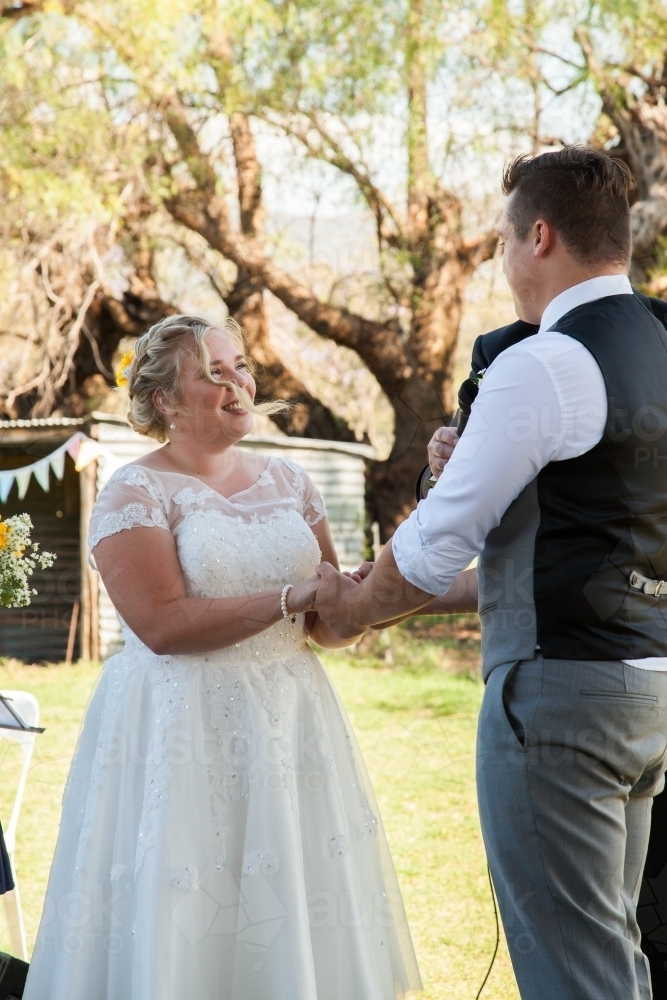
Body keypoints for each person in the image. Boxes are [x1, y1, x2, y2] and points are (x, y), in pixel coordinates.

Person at [314, 146, 667, 1000]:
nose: (502, 259)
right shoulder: (656, 339)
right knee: (614, 952)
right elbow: (566, 539)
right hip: (649, 688)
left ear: (537, 237)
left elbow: (439, 540)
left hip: (560, 702)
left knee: (573, 974)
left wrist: (348, 613)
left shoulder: (541, 364)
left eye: (503, 240)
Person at [23, 315, 422, 1000]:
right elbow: (161, 625)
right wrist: (289, 595)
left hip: (289, 721)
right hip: (179, 727)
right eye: (214, 373)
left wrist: (388, 583)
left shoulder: (292, 482)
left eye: (240, 364)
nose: (241, 381)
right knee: (187, 902)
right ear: (164, 402)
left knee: (286, 902)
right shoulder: (134, 492)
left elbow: (326, 626)